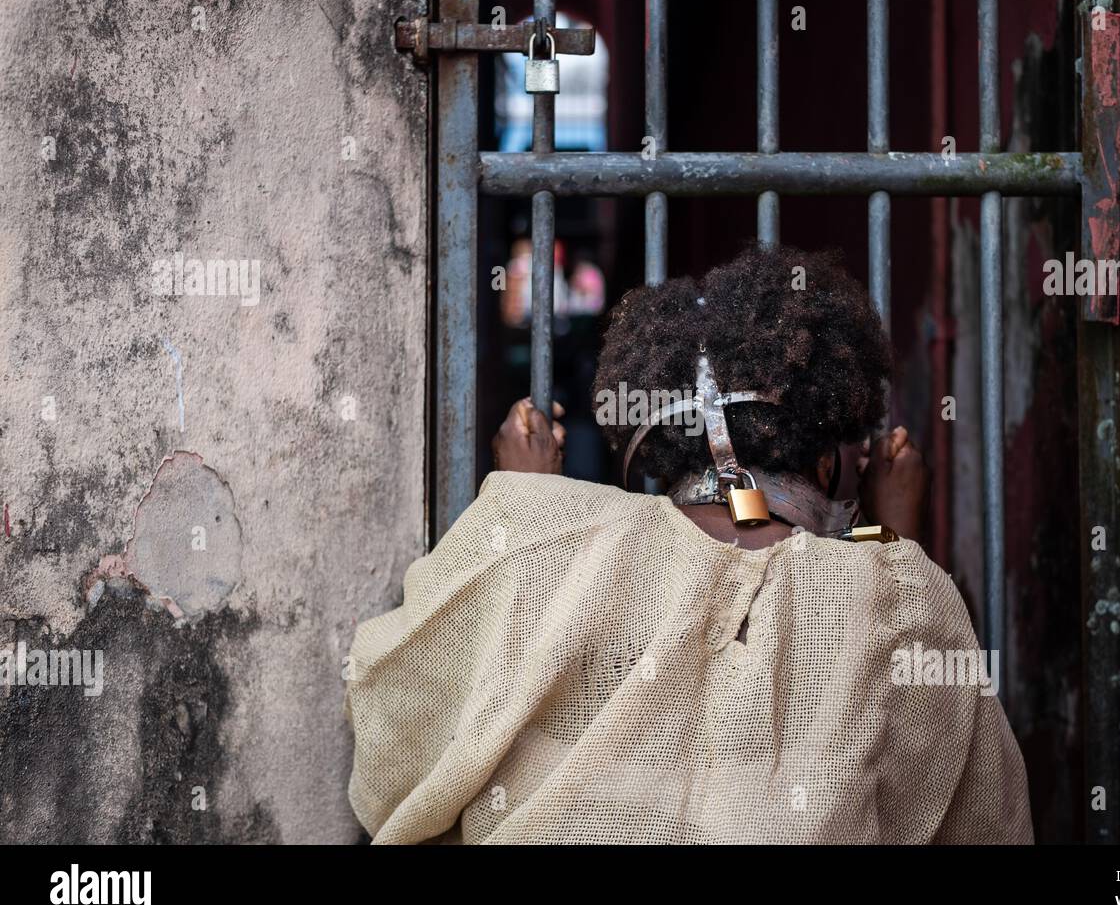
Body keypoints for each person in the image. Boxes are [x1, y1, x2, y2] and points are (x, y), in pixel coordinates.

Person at [346, 244, 1032, 844]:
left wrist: (521, 503)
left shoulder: (548, 542)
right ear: (828, 461)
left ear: (657, 457)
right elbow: (966, 815)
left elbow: (392, 758)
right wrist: (890, 538)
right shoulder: (895, 590)